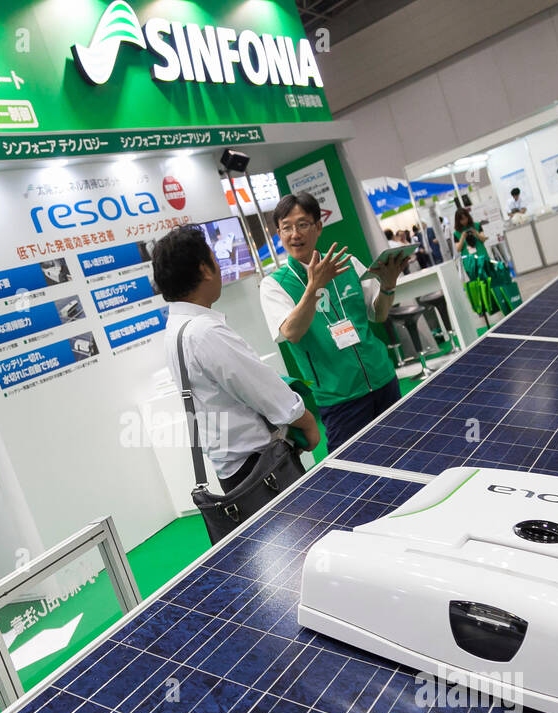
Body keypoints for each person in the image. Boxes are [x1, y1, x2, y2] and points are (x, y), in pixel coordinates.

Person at [155, 225, 319, 492]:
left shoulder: (176, 329)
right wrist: (306, 420)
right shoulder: (205, 332)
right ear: (205, 270)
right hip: (259, 467)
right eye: (215, 258)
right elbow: (260, 388)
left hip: (235, 469)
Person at [258, 191, 408, 455]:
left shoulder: (347, 263)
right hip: (339, 397)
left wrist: (387, 285)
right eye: (287, 228)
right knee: (355, 469)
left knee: (404, 450)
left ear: (318, 227)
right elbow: (291, 332)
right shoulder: (274, 285)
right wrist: (314, 287)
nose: (295, 234)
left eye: (303, 224)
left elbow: (378, 315)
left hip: (383, 378)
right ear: (279, 234)